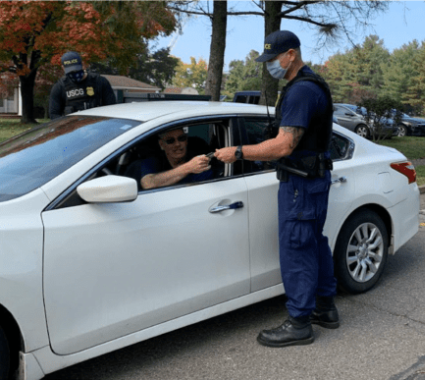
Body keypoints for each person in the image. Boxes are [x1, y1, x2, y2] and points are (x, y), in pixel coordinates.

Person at [215, 30, 338, 347]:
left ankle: (299, 323)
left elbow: (284, 145)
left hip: (300, 183)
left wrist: (240, 152)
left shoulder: (301, 92)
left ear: (291, 54)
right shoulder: (311, 84)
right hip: (311, 180)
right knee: (313, 243)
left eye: (272, 58)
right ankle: (325, 309)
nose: (269, 64)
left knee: (297, 248)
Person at [49, 51, 117, 120]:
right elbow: (54, 115)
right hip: (73, 128)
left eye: (76, 70)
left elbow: (111, 109)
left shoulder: (100, 81)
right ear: (63, 68)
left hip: (97, 126)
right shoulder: (59, 87)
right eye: (70, 72)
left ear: (83, 65)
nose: (74, 73)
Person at [140, 128, 213, 190]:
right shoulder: (154, 160)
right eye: (170, 141)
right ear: (162, 144)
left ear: (186, 141)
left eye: (181, 138)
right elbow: (148, 183)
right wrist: (189, 167)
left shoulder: (199, 159)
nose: (177, 144)